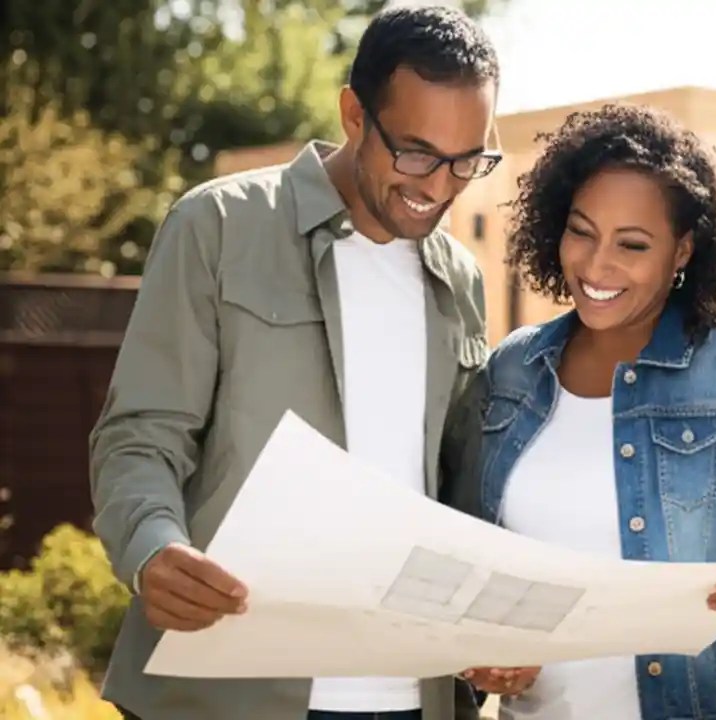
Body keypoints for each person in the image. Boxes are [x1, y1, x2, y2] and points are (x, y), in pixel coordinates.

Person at [88, 5, 506, 719]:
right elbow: (141, 436)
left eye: (466, 161)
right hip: (227, 691)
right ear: (353, 113)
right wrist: (152, 548)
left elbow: (462, 484)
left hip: (414, 694)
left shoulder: (459, 279)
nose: (437, 186)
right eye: (415, 152)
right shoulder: (217, 228)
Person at [462, 104, 716, 719]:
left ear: (681, 251)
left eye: (632, 244)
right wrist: (483, 654)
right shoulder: (512, 370)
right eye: (581, 231)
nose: (598, 266)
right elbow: (474, 559)